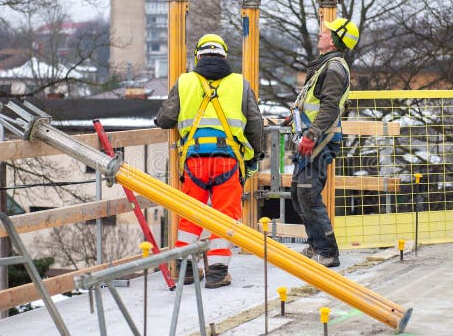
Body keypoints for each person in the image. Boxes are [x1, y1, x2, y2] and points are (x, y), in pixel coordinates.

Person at [154, 33, 264, 288]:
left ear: (198, 56)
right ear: (224, 55)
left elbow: (166, 118)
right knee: (225, 215)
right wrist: (255, 156)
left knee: (191, 215)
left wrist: (160, 119)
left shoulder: (185, 82)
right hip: (228, 159)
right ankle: (217, 273)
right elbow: (255, 123)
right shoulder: (240, 83)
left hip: (194, 160)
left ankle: (186, 270)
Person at [289, 18, 359, 268]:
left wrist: (311, 134)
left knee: (308, 192)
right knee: (299, 192)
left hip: (320, 140)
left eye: (326, 31)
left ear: (334, 40)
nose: (321, 33)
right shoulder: (326, 65)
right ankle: (317, 244)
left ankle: (328, 252)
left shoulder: (334, 68)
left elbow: (329, 107)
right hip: (314, 137)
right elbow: (315, 102)